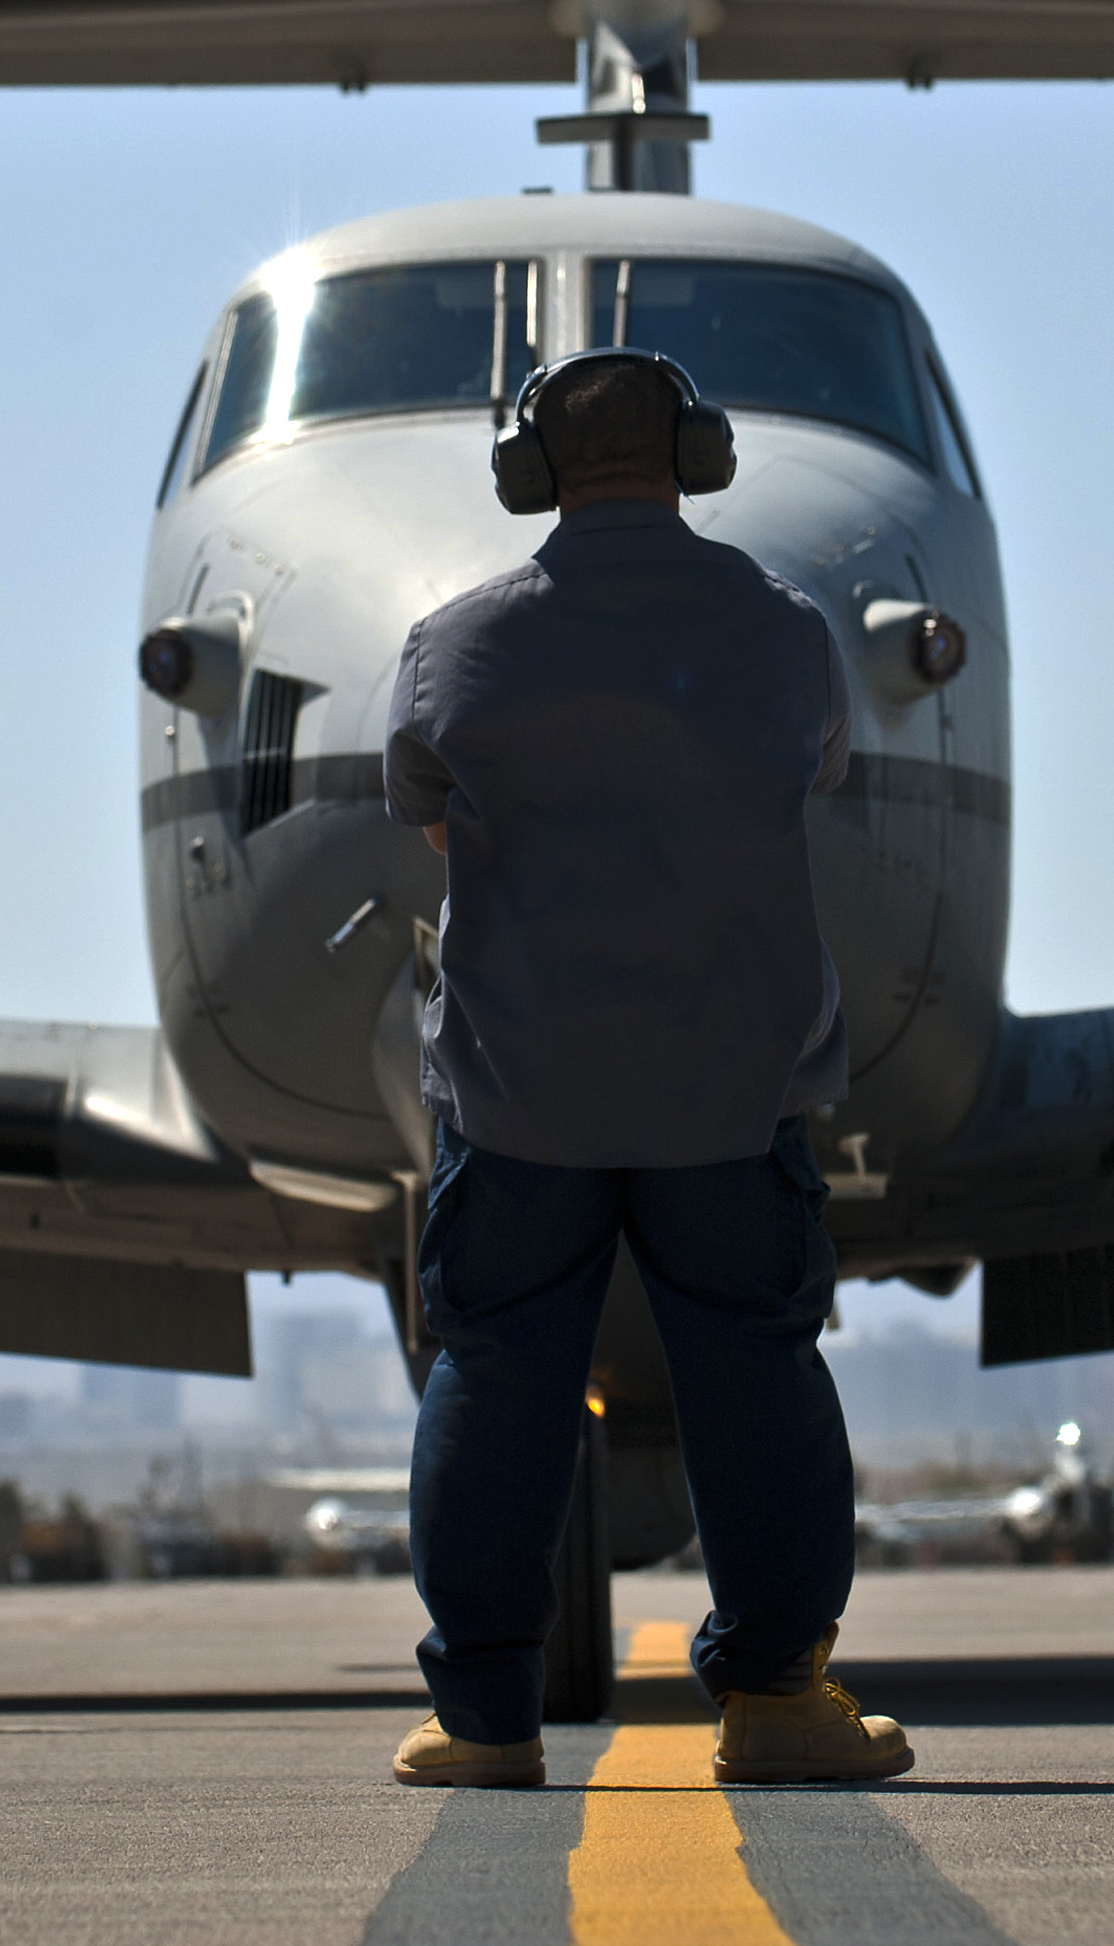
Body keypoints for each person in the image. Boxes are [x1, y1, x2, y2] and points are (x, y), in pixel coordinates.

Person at [377, 348, 914, 1790]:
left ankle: (485, 1721)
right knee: (757, 1374)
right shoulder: (786, 631)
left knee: (493, 1378)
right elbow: (813, 772)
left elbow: (428, 815)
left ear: (530, 477)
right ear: (697, 457)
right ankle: (779, 1701)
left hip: (519, 1095)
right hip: (731, 1096)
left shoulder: (450, 646)